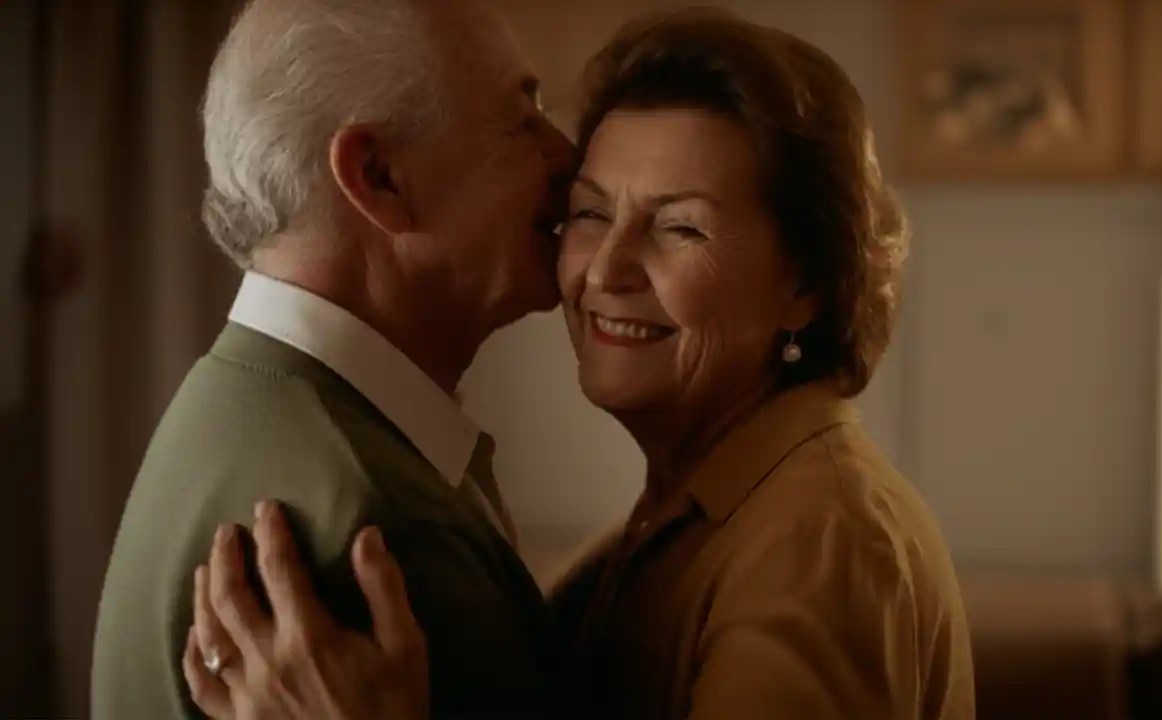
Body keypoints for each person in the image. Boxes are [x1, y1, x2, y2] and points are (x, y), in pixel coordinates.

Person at [184, 7, 976, 719]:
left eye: (681, 229)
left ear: (806, 284)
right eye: (591, 213)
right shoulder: (680, 516)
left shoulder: (821, 542)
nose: (607, 271)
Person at [89, 0, 574, 717]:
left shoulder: (230, 396)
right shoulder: (383, 534)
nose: (566, 155)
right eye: (521, 116)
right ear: (379, 176)